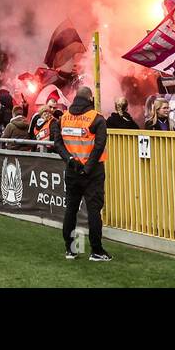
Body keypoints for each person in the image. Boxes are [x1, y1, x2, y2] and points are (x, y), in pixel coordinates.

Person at [51, 86, 110, 262]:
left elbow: (58, 143)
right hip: (93, 172)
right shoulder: (97, 118)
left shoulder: (63, 118)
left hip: (72, 171)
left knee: (71, 209)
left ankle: (71, 250)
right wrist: (88, 167)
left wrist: (70, 160)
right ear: (90, 99)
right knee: (93, 211)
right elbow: (99, 146)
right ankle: (96, 251)